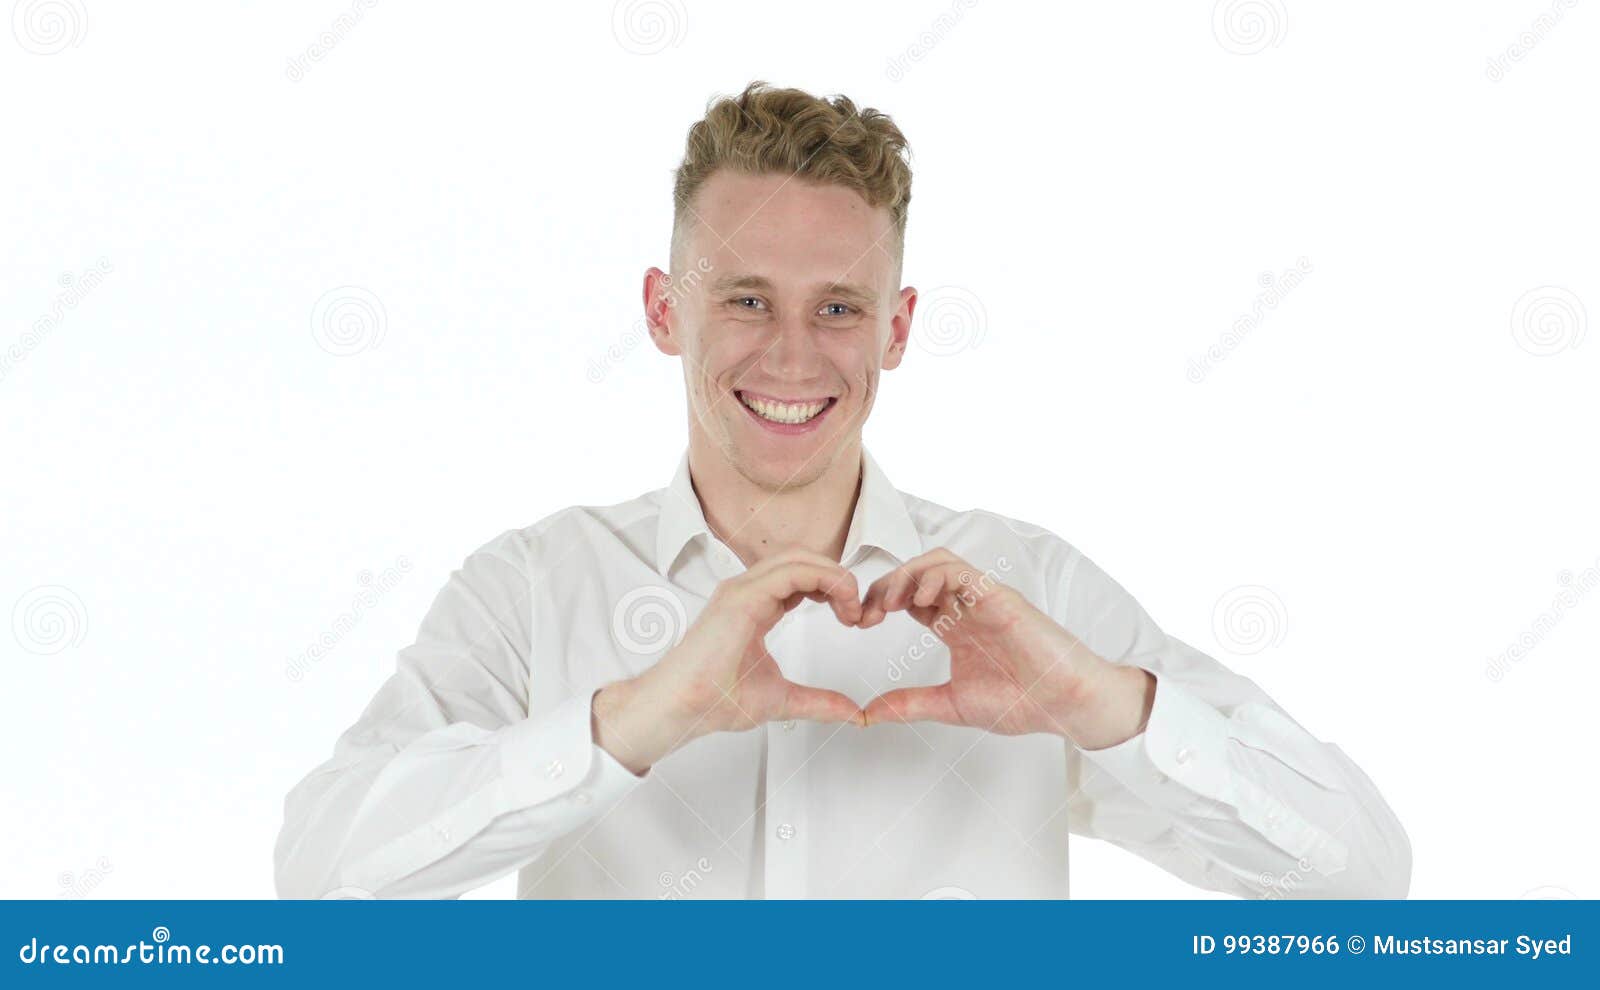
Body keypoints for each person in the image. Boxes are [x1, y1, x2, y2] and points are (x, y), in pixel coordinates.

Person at [274, 81, 1411, 900]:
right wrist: (631, 724)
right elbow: (319, 880)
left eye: (838, 307)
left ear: (897, 329)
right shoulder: (531, 590)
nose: (791, 357)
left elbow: (1360, 881)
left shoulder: (1030, 593)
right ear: (665, 310)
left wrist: (1102, 709)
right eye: (746, 300)